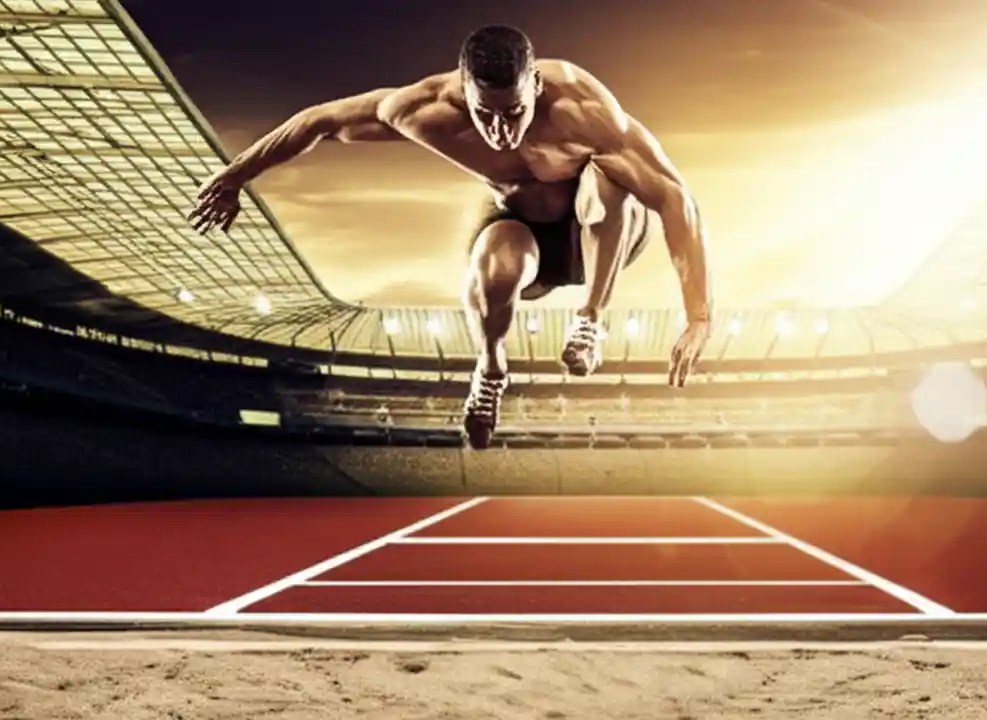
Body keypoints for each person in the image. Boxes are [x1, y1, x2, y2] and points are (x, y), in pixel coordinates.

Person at [190, 25, 713, 449]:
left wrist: (698, 315)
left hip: (600, 236)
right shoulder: (423, 110)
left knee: (610, 181)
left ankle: (590, 321)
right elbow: (319, 121)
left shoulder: (585, 111)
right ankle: (490, 367)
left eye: (514, 113)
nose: (502, 131)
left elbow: (674, 197)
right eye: (487, 115)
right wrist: (235, 177)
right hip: (526, 235)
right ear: (464, 92)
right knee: (495, 261)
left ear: (535, 86)